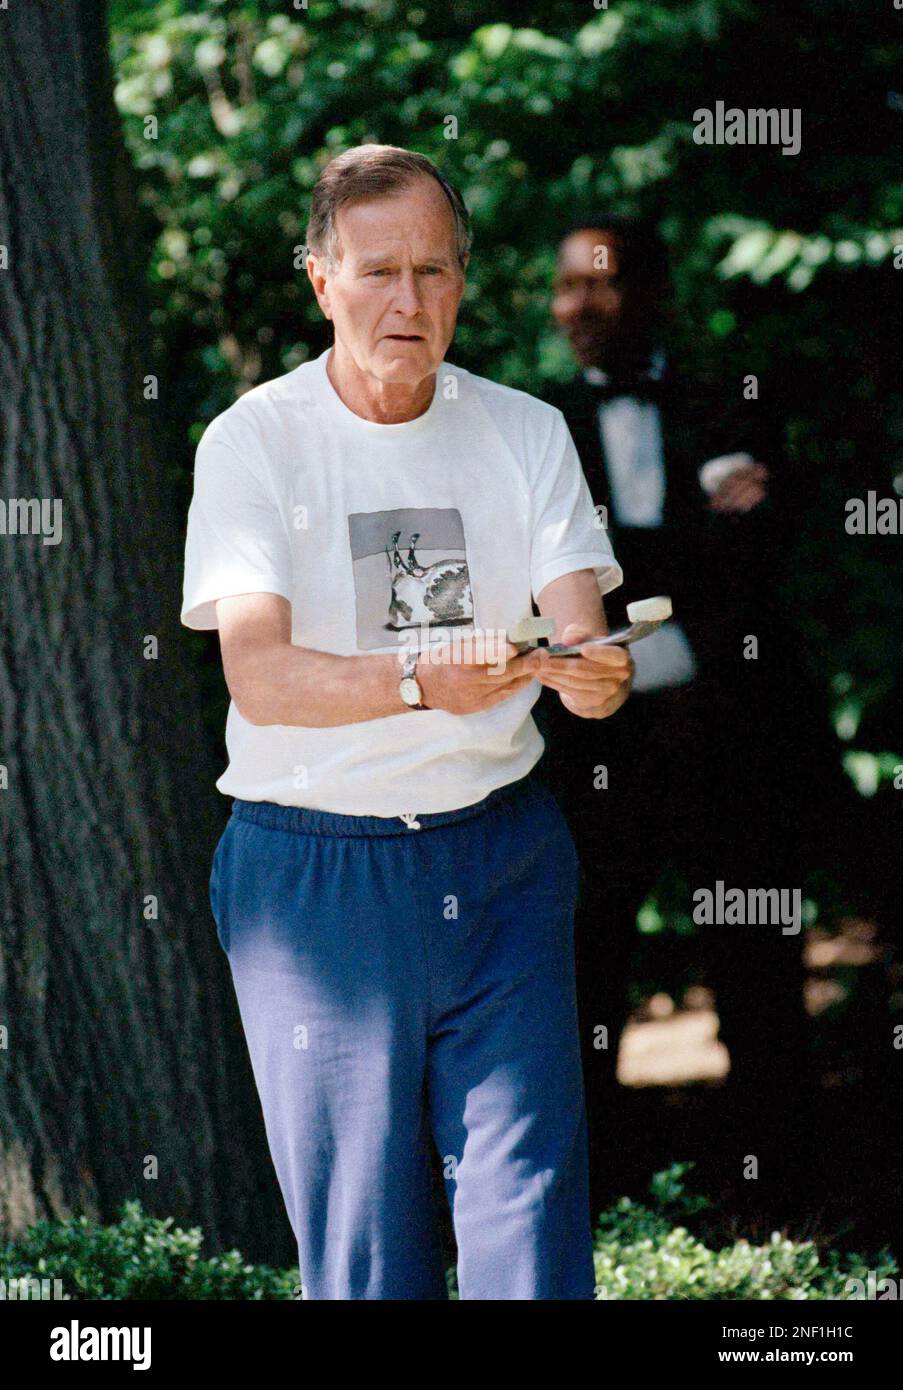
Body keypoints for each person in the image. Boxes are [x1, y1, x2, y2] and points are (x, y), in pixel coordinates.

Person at [180, 146, 634, 1301]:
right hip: (316, 875)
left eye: (435, 271)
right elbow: (261, 677)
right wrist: (423, 682)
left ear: (464, 281)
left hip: (503, 857)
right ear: (321, 280)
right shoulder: (252, 440)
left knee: (530, 1219)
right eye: (379, 271)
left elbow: (585, 635)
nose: (409, 301)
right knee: (368, 1253)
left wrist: (590, 676)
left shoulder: (527, 429)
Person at [534, 215, 816, 1214]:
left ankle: (782, 1191)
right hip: (591, 742)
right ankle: (598, 1200)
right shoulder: (540, 427)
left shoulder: (728, 399)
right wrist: (690, 553)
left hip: (728, 727)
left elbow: (771, 554)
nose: (579, 306)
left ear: (651, 292)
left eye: (601, 285)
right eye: (567, 287)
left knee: (753, 953)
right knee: (584, 959)